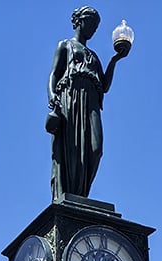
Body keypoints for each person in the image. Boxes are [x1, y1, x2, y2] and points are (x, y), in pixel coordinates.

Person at [47, 6, 129, 200]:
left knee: (95, 148)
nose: (93, 29)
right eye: (91, 23)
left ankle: (82, 194)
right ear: (80, 21)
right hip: (71, 98)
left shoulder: (94, 56)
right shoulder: (65, 46)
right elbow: (54, 74)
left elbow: (105, 85)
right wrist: (51, 95)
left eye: (96, 26)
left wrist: (115, 60)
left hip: (91, 102)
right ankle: (71, 195)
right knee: (72, 149)